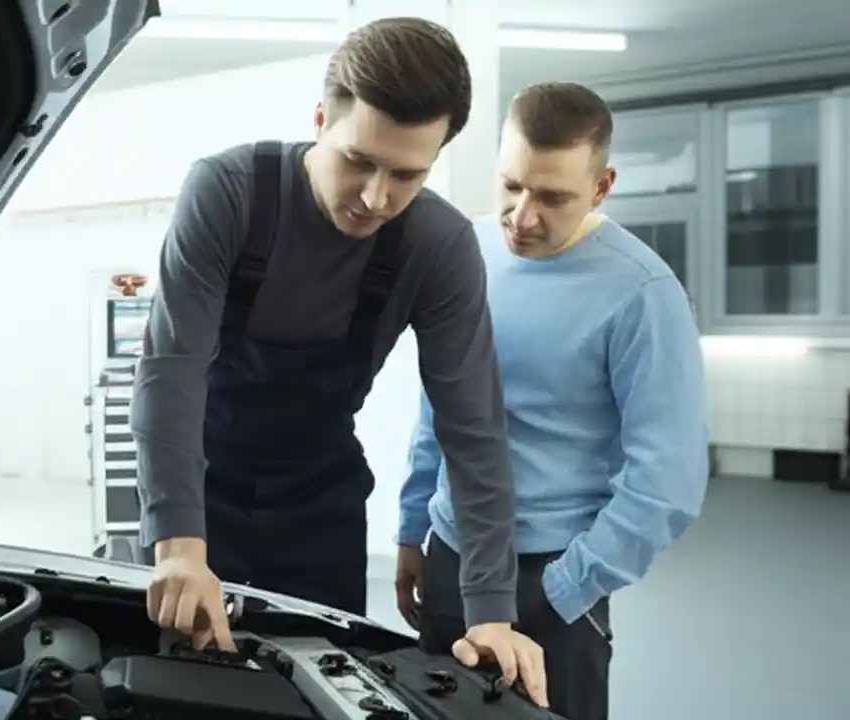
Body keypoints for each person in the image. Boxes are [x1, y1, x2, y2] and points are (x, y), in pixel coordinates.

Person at [130, 17, 548, 706]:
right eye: (359, 159)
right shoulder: (228, 194)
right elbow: (170, 373)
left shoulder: (437, 246)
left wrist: (491, 614)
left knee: (319, 694)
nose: (376, 198)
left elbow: (473, 430)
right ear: (321, 119)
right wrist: (178, 546)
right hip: (199, 492)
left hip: (320, 508)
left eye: (407, 174)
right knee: (184, 691)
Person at [395, 82, 710, 719]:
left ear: (601, 186)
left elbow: (668, 478)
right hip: (453, 554)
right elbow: (442, 402)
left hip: (556, 575)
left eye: (553, 197)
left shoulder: (643, 293)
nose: (523, 215)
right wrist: (413, 527)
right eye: (511, 186)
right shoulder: (468, 250)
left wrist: (568, 588)